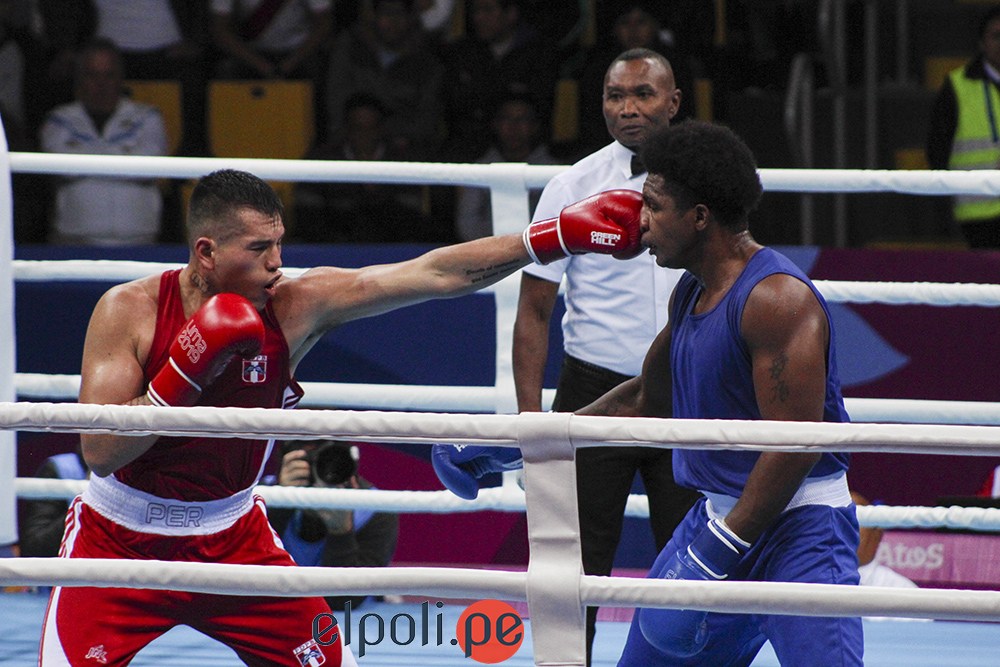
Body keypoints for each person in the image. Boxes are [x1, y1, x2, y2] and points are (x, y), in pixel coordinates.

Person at [39, 167, 644, 666]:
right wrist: (185, 372)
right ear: (206, 252)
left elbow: (432, 273)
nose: (278, 262)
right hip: (117, 544)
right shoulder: (130, 310)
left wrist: (550, 237)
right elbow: (100, 449)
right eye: (259, 249)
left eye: (280, 243)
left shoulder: (295, 306)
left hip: (233, 538)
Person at [435, 121, 864, 665]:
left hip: (800, 532)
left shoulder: (776, 300)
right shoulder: (694, 290)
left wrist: (719, 550)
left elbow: (796, 443)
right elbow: (647, 398)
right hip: (719, 515)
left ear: (699, 218)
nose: (638, 222)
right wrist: (523, 442)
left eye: (653, 207)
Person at [513, 47, 700, 665]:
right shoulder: (572, 186)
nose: (628, 109)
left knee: (695, 557)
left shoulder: (709, 184)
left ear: (673, 102)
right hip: (593, 393)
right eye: (615, 97)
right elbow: (534, 309)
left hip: (684, 390)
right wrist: (530, 419)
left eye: (643, 94)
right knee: (577, 558)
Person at [39, 37, 167, 245]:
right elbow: (62, 168)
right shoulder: (59, 120)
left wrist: (86, 159)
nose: (101, 84)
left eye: (109, 75)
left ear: (121, 78)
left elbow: (149, 166)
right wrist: (123, 158)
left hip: (140, 241)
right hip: (73, 241)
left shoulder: (148, 117)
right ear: (79, 78)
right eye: (92, 75)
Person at [266, 440, 400, 612]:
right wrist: (280, 502)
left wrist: (341, 531)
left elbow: (344, 602)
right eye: (309, 458)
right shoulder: (260, 496)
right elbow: (250, 580)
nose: (318, 468)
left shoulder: (377, 509)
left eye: (326, 456)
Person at [294, 92, 435, 243]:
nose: (364, 135)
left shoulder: (402, 161)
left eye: (371, 128)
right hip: (334, 250)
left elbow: (412, 219)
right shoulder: (321, 160)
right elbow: (307, 218)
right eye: (358, 128)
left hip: (392, 250)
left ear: (381, 128)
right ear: (346, 128)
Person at [324, 0, 444, 160]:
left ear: (411, 17)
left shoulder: (427, 59)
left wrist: (386, 135)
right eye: (387, 13)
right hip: (350, 145)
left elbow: (427, 119)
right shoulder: (350, 47)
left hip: (405, 151)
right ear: (373, 15)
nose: (392, 21)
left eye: (399, 14)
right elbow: (336, 105)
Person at [927, 5, 1000, 249]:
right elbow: (937, 150)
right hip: (977, 214)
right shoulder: (957, 85)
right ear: (982, 42)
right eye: (996, 36)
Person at [454, 91, 557, 241]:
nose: (514, 126)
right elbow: (467, 223)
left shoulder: (555, 171)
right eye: (506, 119)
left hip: (543, 254)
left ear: (535, 126)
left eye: (522, 119)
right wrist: (494, 252)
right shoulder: (477, 170)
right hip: (487, 254)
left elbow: (560, 224)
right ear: (494, 124)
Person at [17, 446, 89, 558]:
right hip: (69, 569)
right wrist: (87, 502)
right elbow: (33, 547)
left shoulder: (124, 473)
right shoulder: (61, 468)